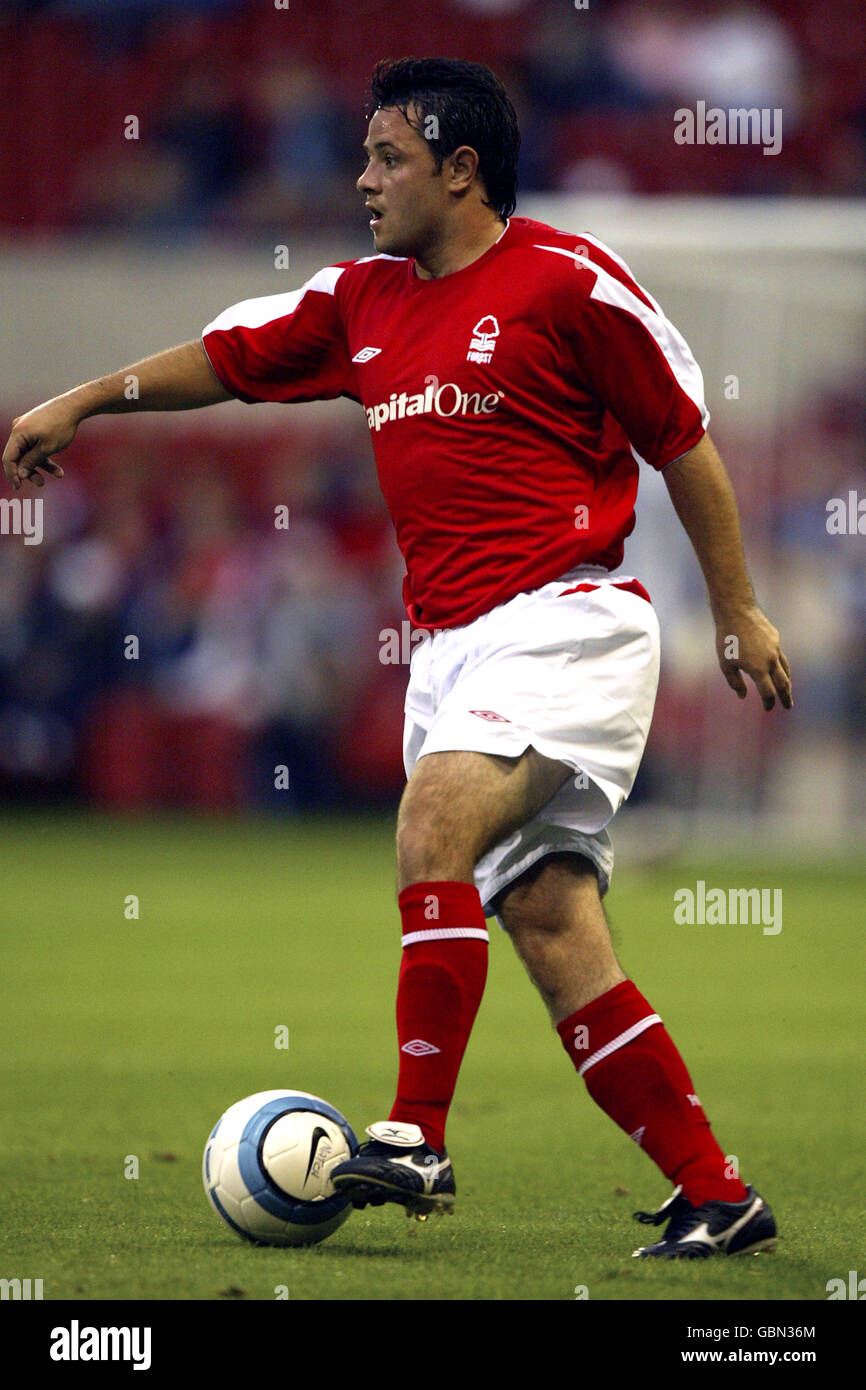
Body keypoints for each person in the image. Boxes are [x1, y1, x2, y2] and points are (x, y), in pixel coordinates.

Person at [3, 57, 792, 1259]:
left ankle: (415, 1133)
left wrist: (736, 609)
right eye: (365, 158)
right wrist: (85, 399)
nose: (363, 182)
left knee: (429, 827)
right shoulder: (359, 302)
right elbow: (226, 356)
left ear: (460, 170)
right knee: (545, 921)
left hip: (569, 619)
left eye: (387, 160)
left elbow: (682, 440)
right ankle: (712, 1192)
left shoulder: (569, 283)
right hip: (450, 653)